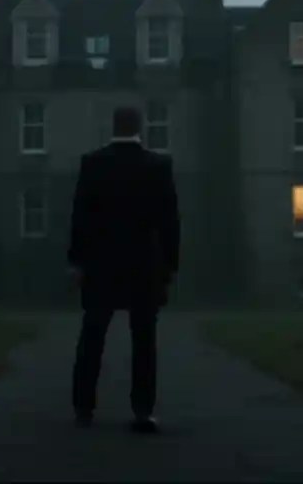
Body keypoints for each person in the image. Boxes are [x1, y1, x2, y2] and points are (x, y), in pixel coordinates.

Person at [68, 106, 180, 434]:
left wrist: (76, 261)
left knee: (92, 335)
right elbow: (169, 223)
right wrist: (171, 264)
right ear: (139, 127)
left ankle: (83, 406)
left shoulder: (93, 164)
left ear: (112, 126)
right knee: (144, 339)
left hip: (101, 264)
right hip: (143, 265)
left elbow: (80, 219)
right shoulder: (158, 166)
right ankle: (142, 410)